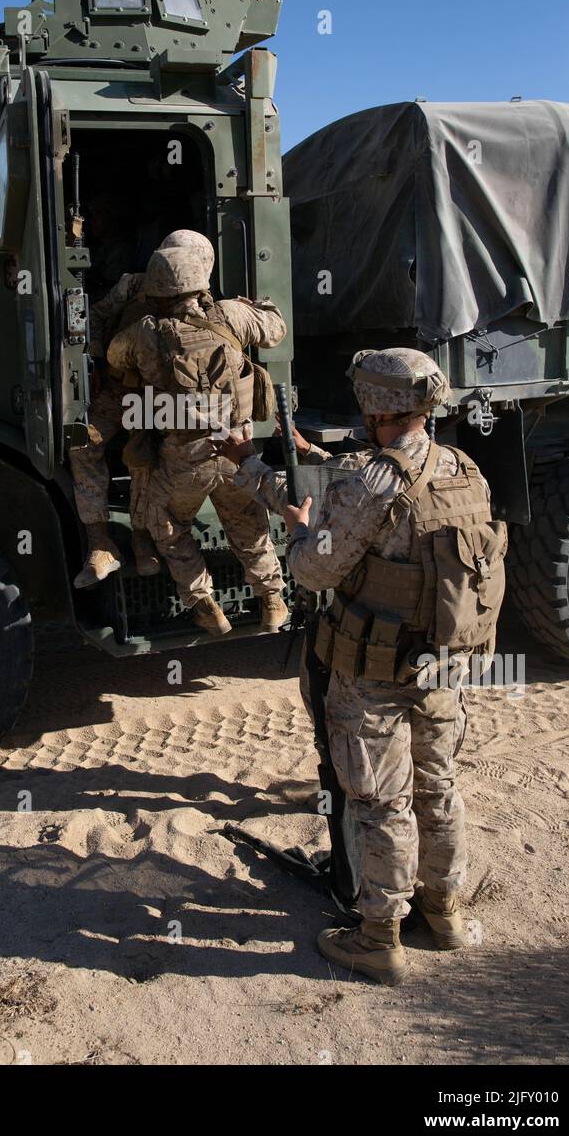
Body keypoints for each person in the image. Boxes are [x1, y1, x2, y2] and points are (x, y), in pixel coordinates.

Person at [218, 348, 506, 985]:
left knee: (380, 801)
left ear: (374, 405)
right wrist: (288, 463)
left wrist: (298, 528)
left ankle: (379, 937)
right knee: (438, 790)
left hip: (374, 671)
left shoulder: (374, 481)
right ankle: (447, 914)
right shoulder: (464, 469)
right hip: (440, 670)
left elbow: (316, 565)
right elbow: (369, 494)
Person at [107, 244, 290, 636]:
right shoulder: (230, 315)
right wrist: (256, 304)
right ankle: (273, 600)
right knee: (248, 525)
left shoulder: (145, 332)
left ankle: (204, 604)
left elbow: (112, 357)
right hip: (236, 449)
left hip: (183, 456)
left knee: (164, 521)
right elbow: (277, 329)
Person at [70, 230, 216, 589]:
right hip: (120, 388)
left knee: (143, 457)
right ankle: (99, 542)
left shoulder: (207, 303)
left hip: (161, 398)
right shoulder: (132, 286)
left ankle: (141, 538)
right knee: (82, 443)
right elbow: (98, 316)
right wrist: (95, 355)